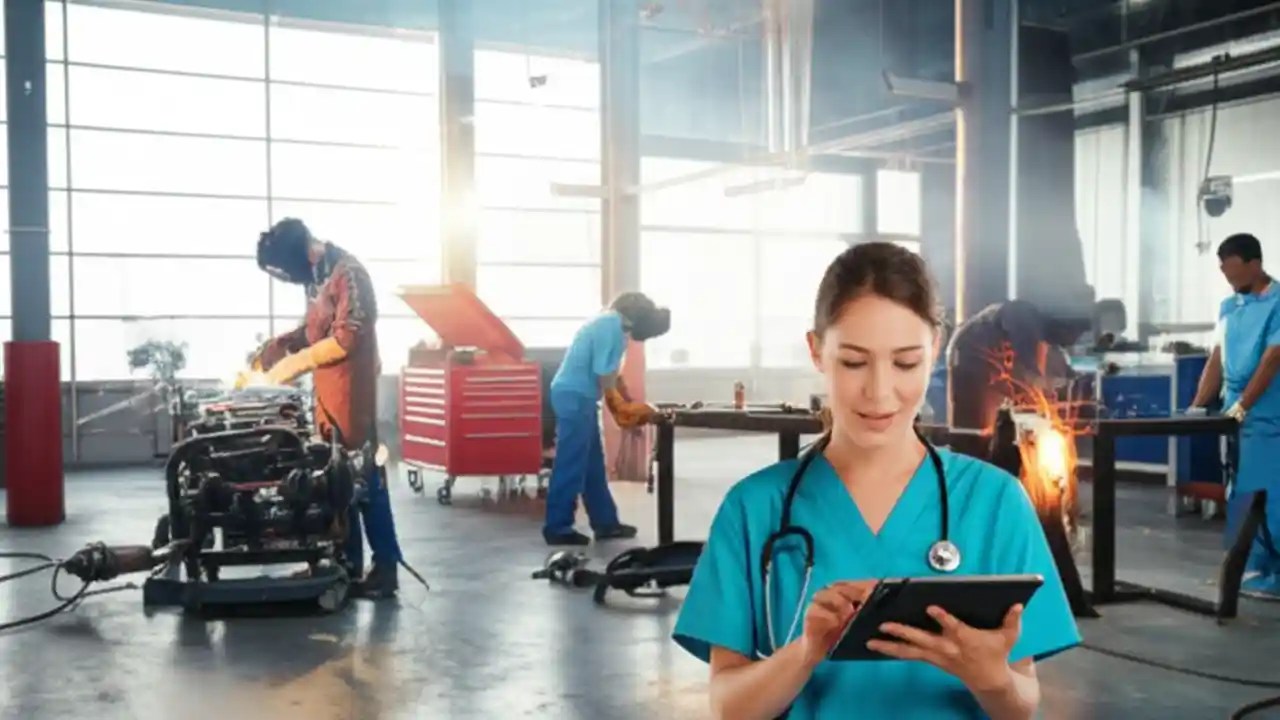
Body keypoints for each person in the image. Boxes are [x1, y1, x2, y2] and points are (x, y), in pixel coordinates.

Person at [672, 242, 1080, 719]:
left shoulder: (994, 502)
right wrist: (805, 652)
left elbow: (1021, 705)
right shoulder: (755, 507)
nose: (880, 392)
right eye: (853, 362)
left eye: (906, 363)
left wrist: (991, 679)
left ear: (934, 349)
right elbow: (729, 709)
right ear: (816, 351)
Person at [243, 217, 403, 598]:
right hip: (327, 391)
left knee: (363, 477)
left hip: (352, 390)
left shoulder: (349, 273)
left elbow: (347, 337)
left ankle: (385, 567)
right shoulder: (317, 275)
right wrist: (275, 349)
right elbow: (312, 331)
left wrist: (293, 365)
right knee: (334, 477)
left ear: (301, 253)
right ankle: (344, 564)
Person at [1189, 233, 1280, 601]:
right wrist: (1197, 405)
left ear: (1254, 264)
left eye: (1233, 270)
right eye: (1223, 272)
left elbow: (1273, 359)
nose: (1228, 278)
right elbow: (1217, 358)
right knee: (1239, 492)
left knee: (1271, 495)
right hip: (1234, 419)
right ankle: (1249, 568)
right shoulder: (1229, 307)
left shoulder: (1277, 302)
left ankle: (1277, 574)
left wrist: (1243, 405)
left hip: (1268, 417)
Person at [543, 291, 671, 546]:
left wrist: (629, 402)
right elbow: (603, 374)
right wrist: (621, 411)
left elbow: (613, 374)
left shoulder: (613, 326)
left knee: (592, 466)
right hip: (574, 396)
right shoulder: (610, 326)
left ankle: (605, 523)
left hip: (581, 396)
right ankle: (557, 526)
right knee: (571, 463)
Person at [946, 295, 1092, 459]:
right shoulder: (1025, 320)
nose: (1074, 339)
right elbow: (1032, 376)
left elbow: (1044, 376)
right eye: (1075, 333)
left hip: (991, 359)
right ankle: (970, 474)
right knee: (976, 433)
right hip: (973, 355)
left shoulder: (1042, 337)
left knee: (1004, 424)